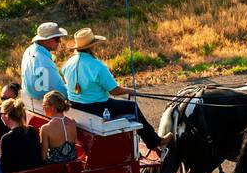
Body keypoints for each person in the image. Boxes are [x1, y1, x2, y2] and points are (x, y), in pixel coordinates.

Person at [62, 28, 171, 161]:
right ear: (93, 47)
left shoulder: (68, 63)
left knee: (119, 104)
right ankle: (154, 142)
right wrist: (130, 91)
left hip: (76, 106)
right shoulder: (97, 66)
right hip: (96, 108)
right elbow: (114, 90)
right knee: (132, 107)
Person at [20, 22, 69, 108]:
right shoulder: (45, 61)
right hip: (48, 103)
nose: (60, 41)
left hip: (32, 101)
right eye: (57, 39)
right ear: (45, 41)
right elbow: (61, 91)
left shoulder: (29, 50)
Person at [0, 97, 43, 173]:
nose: (0, 116)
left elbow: (5, 168)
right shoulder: (32, 131)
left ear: (6, 115)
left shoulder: (6, 139)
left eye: (1, 114)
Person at [39, 91, 79, 164]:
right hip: (74, 165)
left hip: (56, 169)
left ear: (53, 107)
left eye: (44, 105)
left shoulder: (46, 128)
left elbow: (43, 157)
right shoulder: (72, 122)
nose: (43, 108)